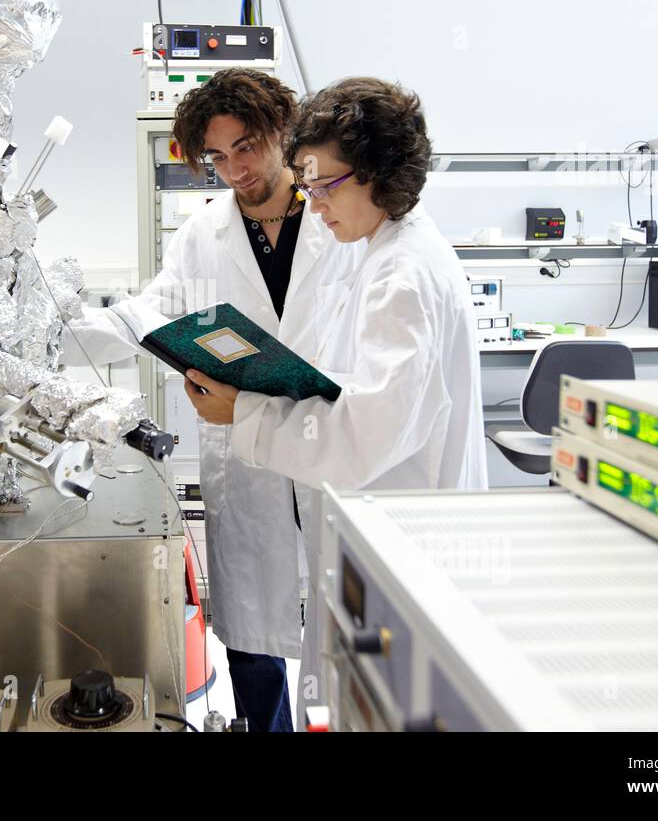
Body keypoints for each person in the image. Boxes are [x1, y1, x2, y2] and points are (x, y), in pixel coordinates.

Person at [182, 77, 488, 728]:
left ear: (375, 171)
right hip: (377, 539)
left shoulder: (403, 274)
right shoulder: (391, 250)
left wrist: (242, 413)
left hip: (402, 548)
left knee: (396, 709)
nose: (313, 205)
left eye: (323, 186)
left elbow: (358, 437)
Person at [64, 68, 360, 732]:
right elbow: (148, 314)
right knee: (255, 636)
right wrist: (50, 330)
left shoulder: (341, 218)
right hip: (248, 456)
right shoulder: (204, 233)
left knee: (351, 628)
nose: (234, 170)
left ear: (283, 133)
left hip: (328, 440)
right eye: (217, 157)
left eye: (247, 147)